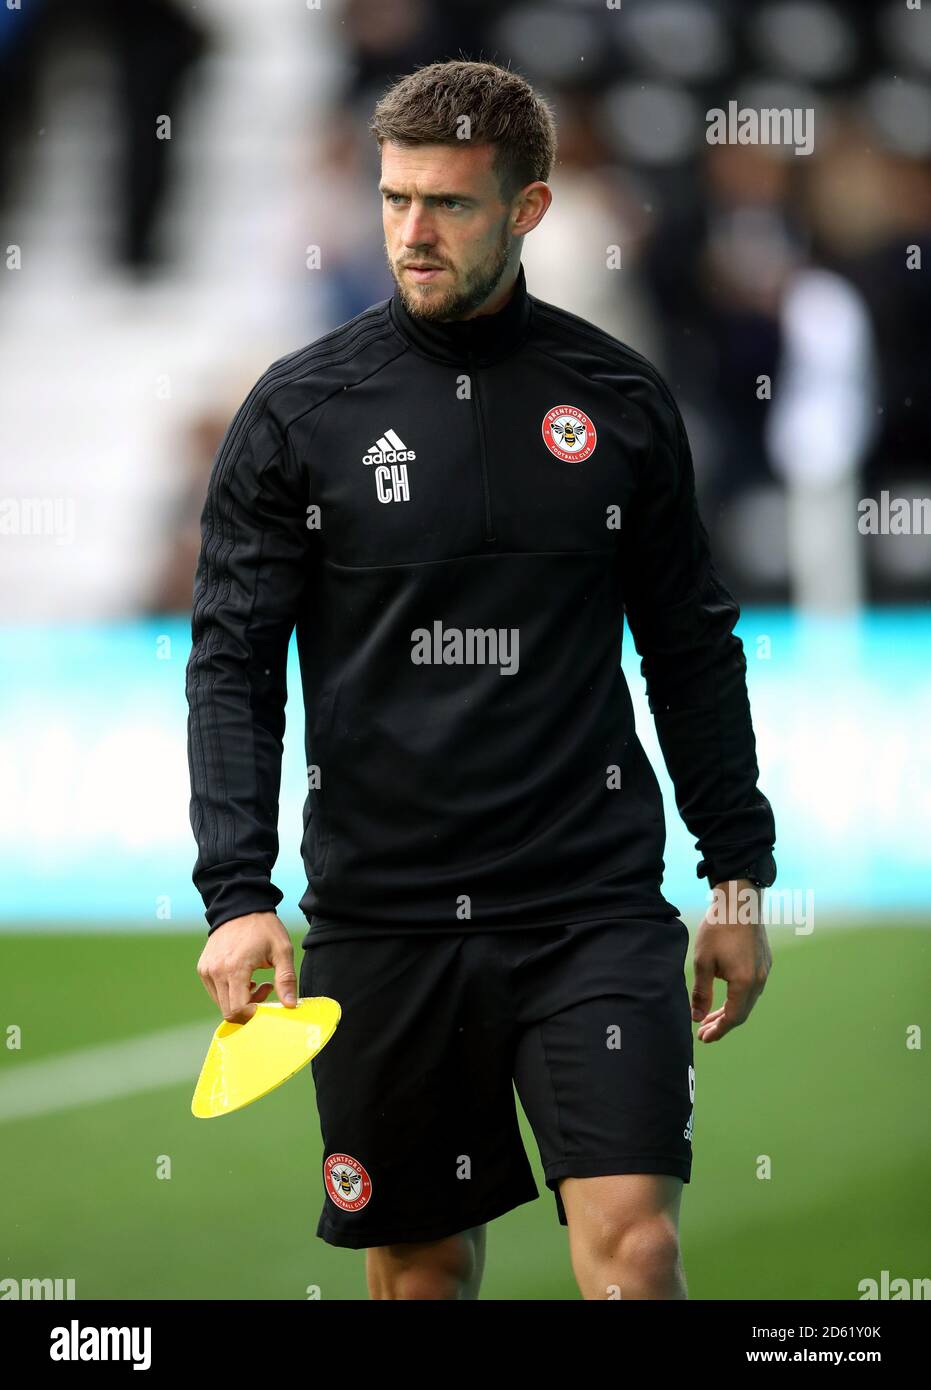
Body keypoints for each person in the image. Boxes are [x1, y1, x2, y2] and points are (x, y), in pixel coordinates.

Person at [186, 59, 777, 1301]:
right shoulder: (298, 415)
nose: (411, 232)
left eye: (448, 204)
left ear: (528, 209)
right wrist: (237, 891)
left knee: (635, 1245)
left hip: (588, 906)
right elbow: (232, 666)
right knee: (422, 1275)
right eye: (395, 198)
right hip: (385, 916)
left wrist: (737, 872)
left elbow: (690, 644)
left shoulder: (617, 401)